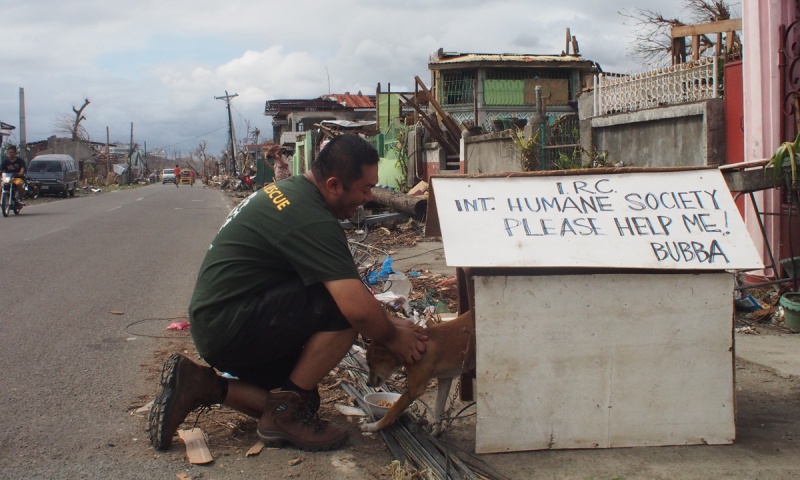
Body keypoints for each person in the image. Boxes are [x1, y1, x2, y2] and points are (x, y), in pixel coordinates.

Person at [149, 134, 427, 452]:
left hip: (219, 323)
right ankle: (284, 415)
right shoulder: (313, 220)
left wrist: (388, 322)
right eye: (365, 188)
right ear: (334, 185)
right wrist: (391, 334)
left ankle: (201, 385)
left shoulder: (293, 192)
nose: (369, 197)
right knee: (342, 311)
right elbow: (358, 310)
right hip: (231, 325)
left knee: (304, 398)